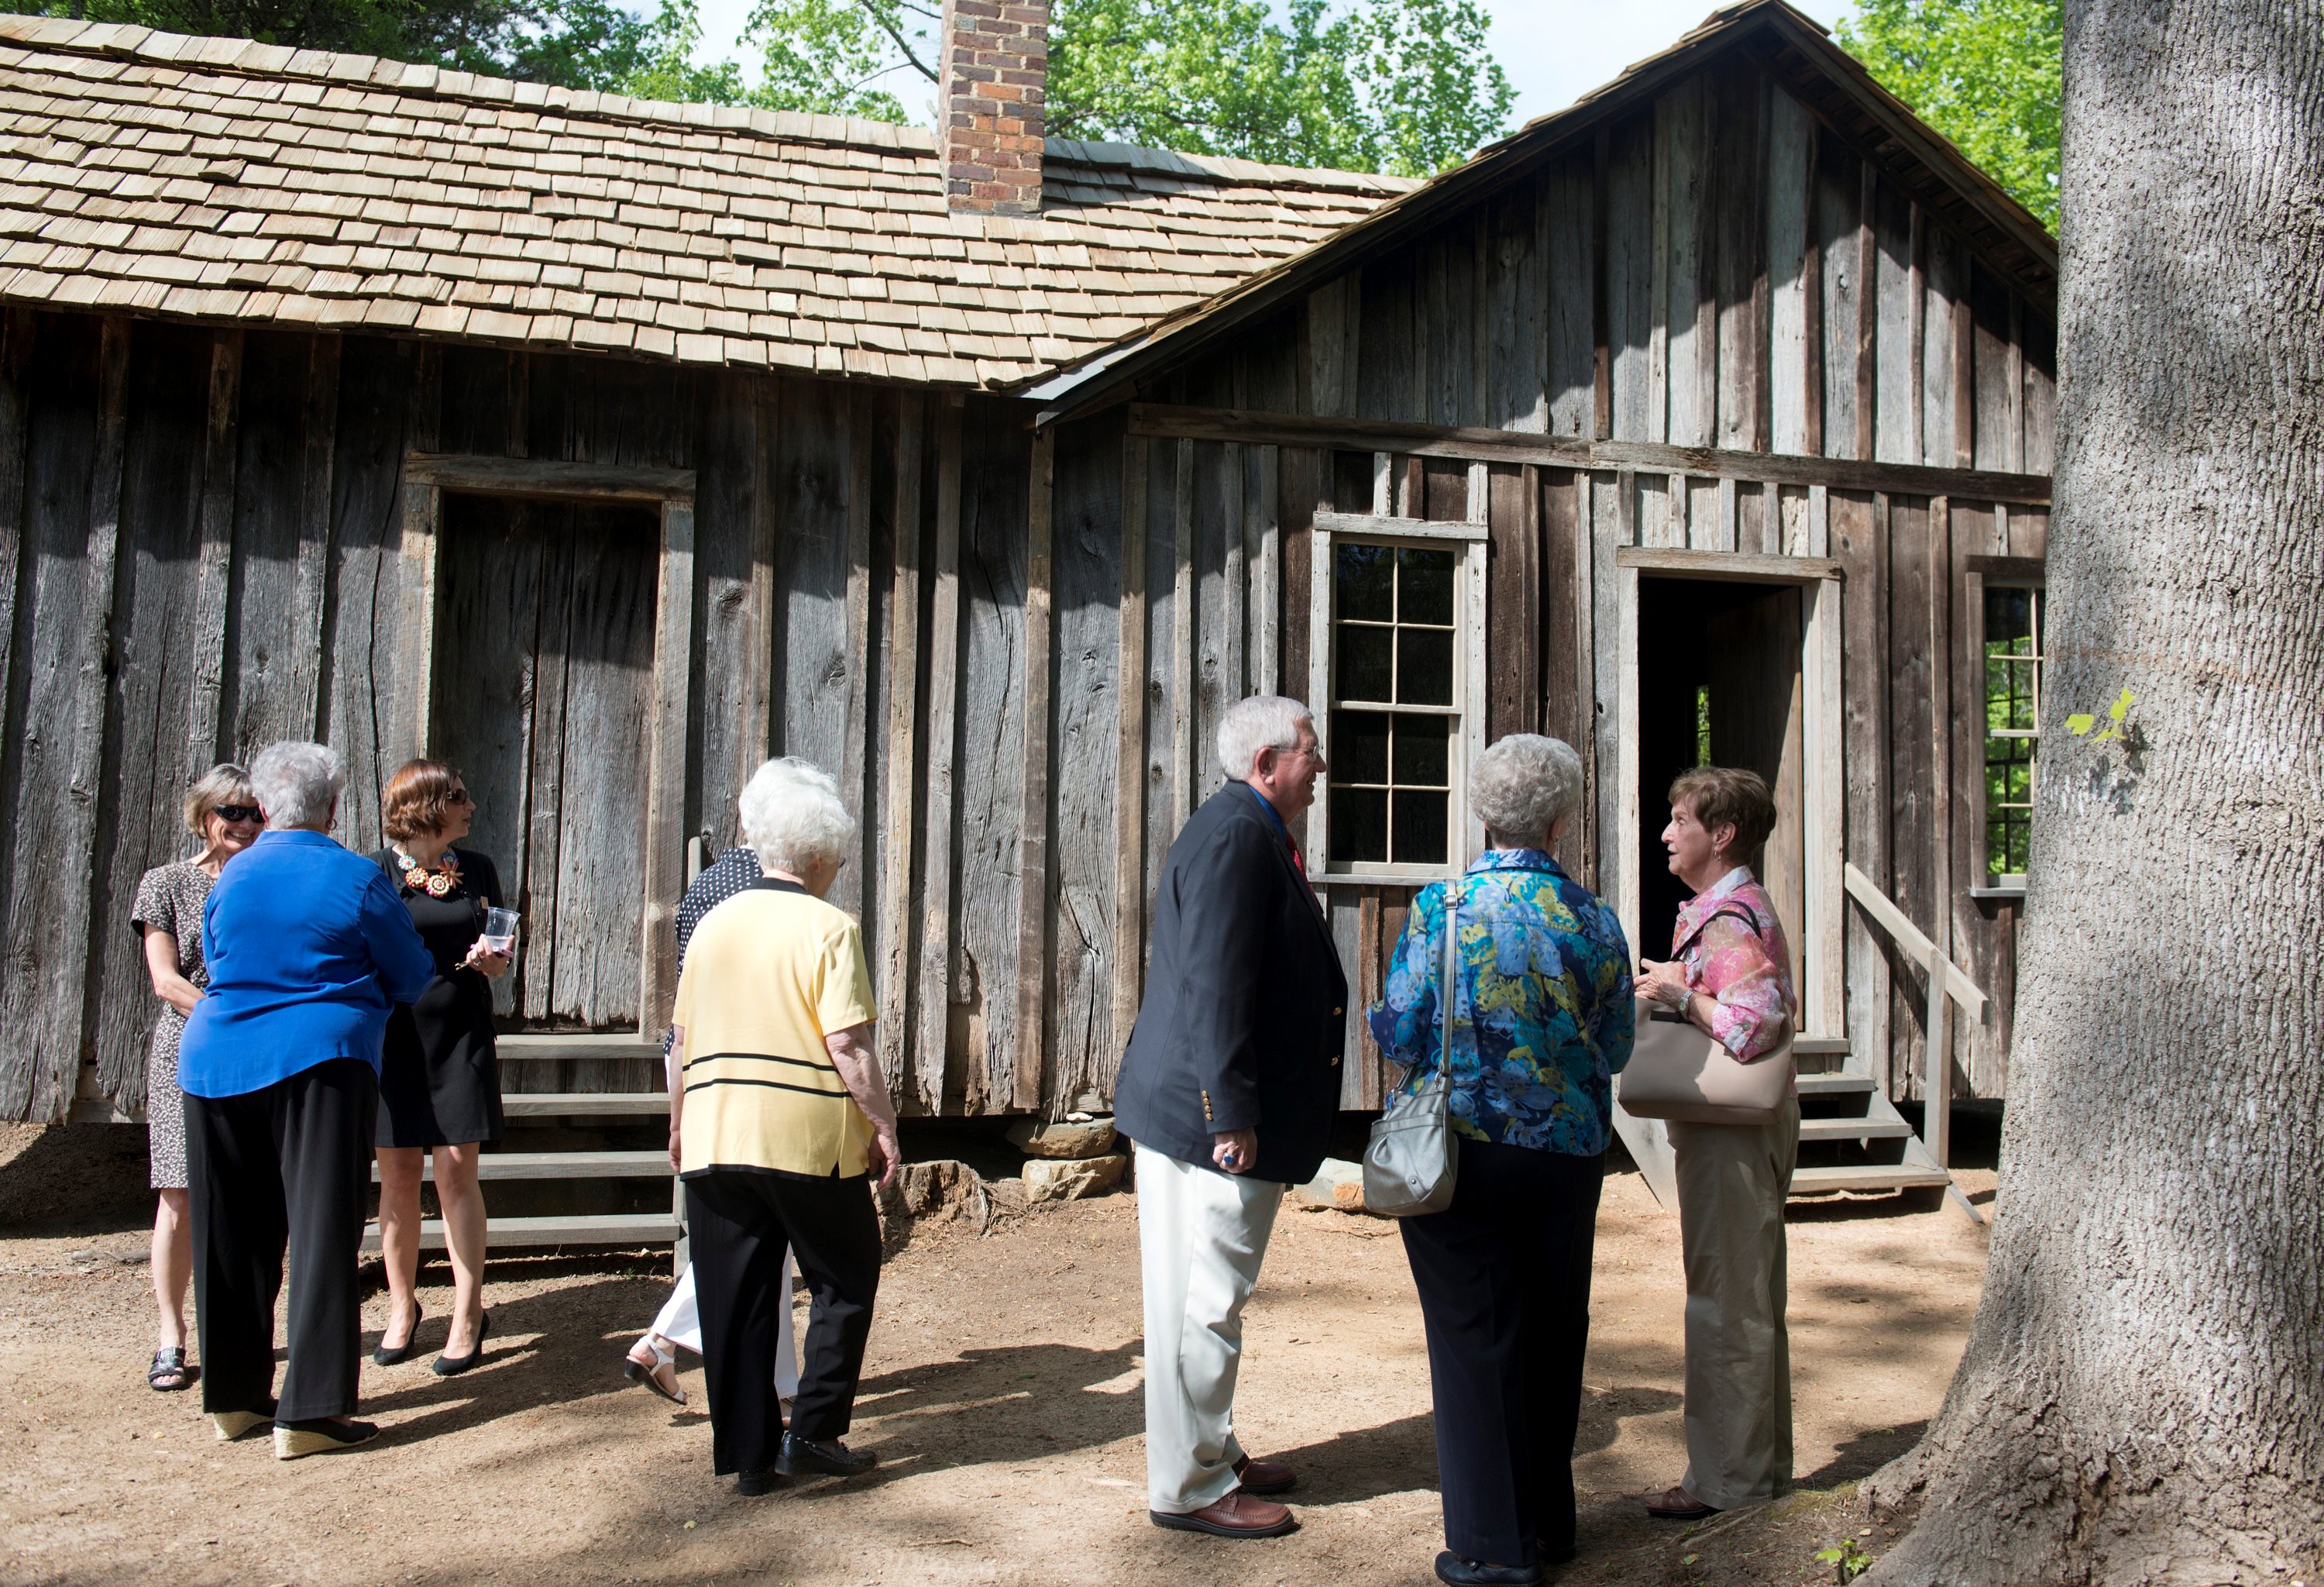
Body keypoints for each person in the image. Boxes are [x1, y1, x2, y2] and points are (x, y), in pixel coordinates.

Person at [1367, 735, 1635, 1587]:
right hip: (1566, 1153)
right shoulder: (1594, 917)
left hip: (1464, 1149)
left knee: (1474, 1341)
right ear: (1559, 819)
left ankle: (1491, 1544)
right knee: (1555, 1332)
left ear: (1483, 814)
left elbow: (1403, 1025)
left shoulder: (1442, 907)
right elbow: (1619, 1043)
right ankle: (1551, 1522)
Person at [1112, 694, 1346, 1541]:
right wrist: (1233, 1111)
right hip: (1205, 1122)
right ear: (1266, 764)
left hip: (1203, 1111)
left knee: (1208, 1295)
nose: (1320, 766)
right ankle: (1188, 1483)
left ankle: (1211, 1443)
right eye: (1309, 752)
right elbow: (1214, 983)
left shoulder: (1243, 827)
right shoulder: (1236, 835)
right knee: (1199, 1301)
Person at [177, 740, 434, 1460]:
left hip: (215, 1060)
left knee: (231, 1232)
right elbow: (411, 972)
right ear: (331, 808)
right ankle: (313, 1412)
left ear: (262, 808)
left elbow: (219, 958)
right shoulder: (355, 877)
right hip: (320, 1060)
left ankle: (234, 1397)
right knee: (321, 1232)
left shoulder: (230, 877)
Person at [666, 757, 902, 1496]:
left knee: (732, 1295)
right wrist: (885, 1126)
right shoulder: (831, 927)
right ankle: (816, 1433)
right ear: (823, 859)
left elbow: (680, 1041)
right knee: (846, 1277)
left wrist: (679, 1126)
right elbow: (849, 1044)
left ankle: (747, 1457)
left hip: (713, 1134)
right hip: (802, 1140)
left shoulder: (709, 926)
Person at [1633, 766, 1799, 1521]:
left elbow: (1754, 1021)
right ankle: (1752, 1469)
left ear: (1721, 833)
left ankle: (1727, 1481)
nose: (1667, 832)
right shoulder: (1727, 910)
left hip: (1730, 1137)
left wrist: (1676, 993)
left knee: (1726, 1302)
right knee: (1747, 1297)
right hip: (1739, 1133)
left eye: (1679, 819)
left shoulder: (1727, 916)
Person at [624, 838, 799, 1409]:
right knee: (759, 1228)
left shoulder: (708, 883)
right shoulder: (766, 890)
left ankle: (777, 1381)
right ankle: (661, 1339)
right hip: (747, 1065)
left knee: (754, 1230)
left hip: (697, 1056)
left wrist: (678, 1115)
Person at [369, 760, 511, 1375]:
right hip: (394, 1037)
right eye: (459, 797)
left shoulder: (477, 870)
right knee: (397, 1176)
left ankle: (467, 1312)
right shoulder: (374, 873)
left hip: (461, 1036)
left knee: (456, 1173)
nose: (471, 807)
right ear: (427, 806)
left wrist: (493, 959)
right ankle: (402, 1309)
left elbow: (506, 952)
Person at [131, 763, 263, 1393]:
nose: (243, 823)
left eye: (255, 812)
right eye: (231, 812)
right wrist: (226, 1013)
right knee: (180, 1196)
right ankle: (171, 1337)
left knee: (252, 1195)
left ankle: (239, 1330)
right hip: (190, 1044)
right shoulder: (166, 882)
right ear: (204, 816)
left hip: (260, 1050)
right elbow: (164, 978)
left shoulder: (269, 881)